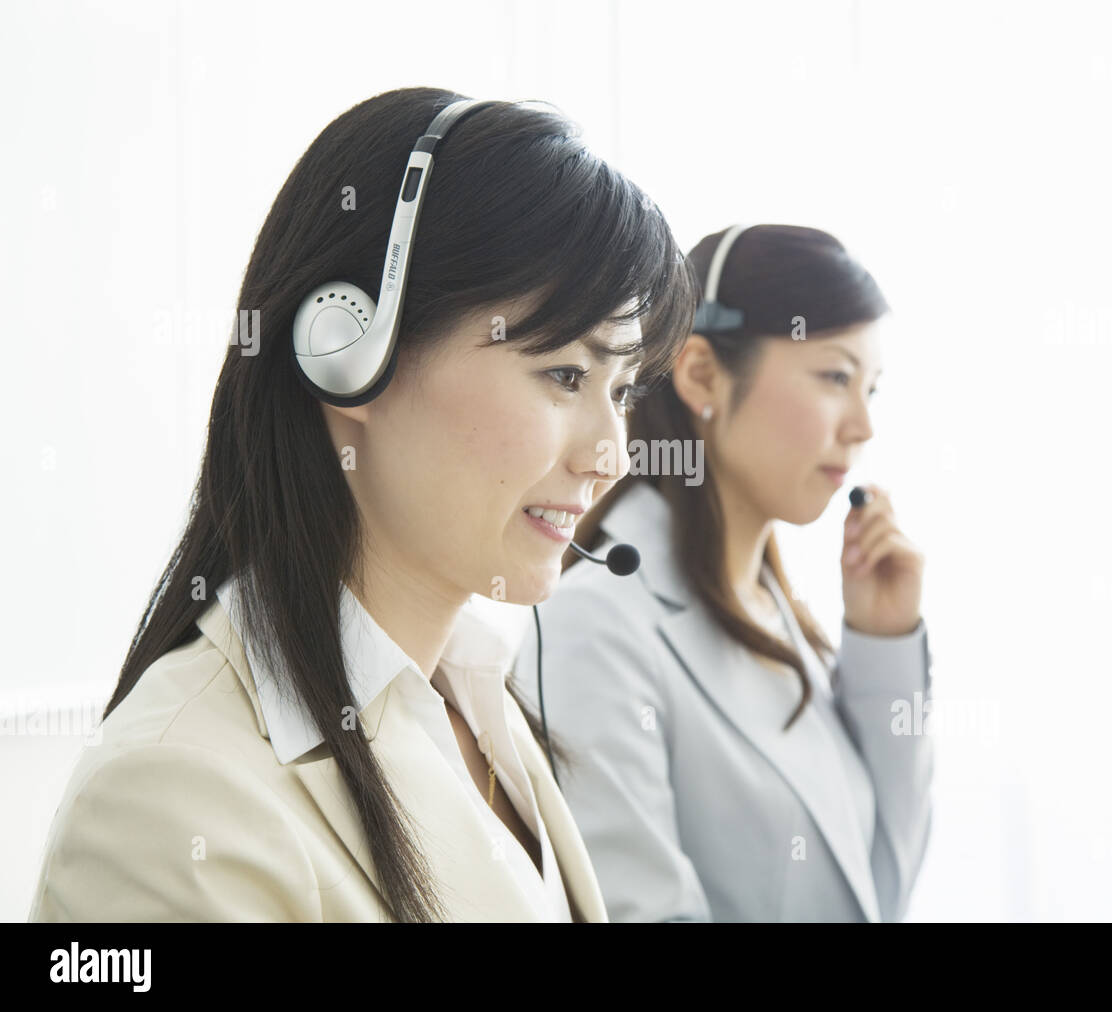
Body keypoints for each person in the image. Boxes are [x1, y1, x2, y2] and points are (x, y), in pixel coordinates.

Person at [27, 88, 697, 923]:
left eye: (622, 391)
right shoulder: (171, 800)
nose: (612, 455)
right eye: (565, 375)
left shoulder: (474, 695)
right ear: (348, 354)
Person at [515, 223, 934, 922]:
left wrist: (885, 644)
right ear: (702, 374)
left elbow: (882, 889)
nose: (863, 425)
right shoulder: (595, 628)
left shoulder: (773, 610)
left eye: (872, 388)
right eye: (835, 377)